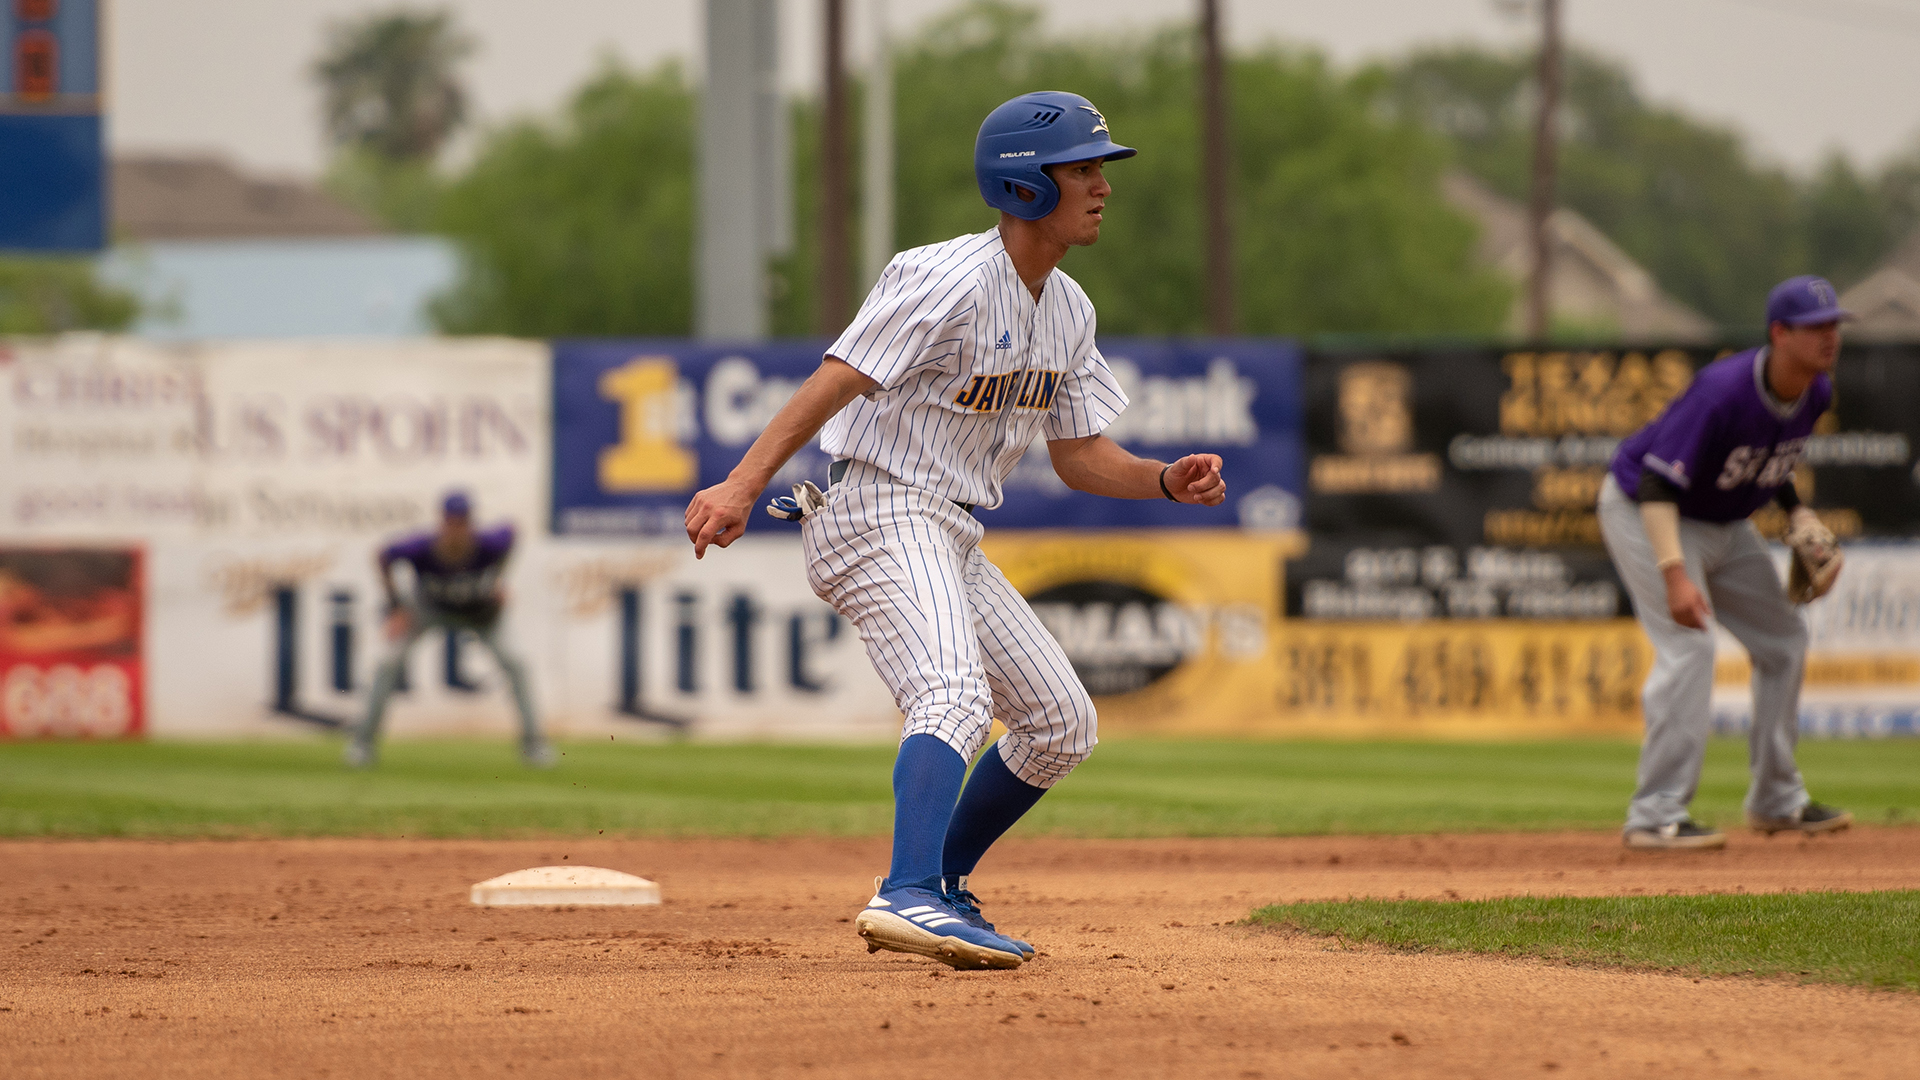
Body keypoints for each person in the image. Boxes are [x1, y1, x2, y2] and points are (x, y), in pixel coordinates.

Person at [684, 91, 1226, 969]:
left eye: (1101, 169)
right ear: (1024, 184)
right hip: (878, 507)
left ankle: (938, 885)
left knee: (1060, 723)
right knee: (953, 694)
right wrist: (742, 484)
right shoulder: (946, 278)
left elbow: (1080, 453)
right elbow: (836, 379)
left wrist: (1163, 480)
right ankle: (905, 895)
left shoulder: (1069, 309)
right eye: (1084, 169)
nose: (1102, 186)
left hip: (951, 527)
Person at [1598, 275, 1854, 850]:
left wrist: (1798, 518)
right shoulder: (1721, 390)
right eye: (1817, 327)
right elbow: (1658, 484)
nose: (1830, 336)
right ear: (1778, 333)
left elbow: (1770, 459)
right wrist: (1675, 576)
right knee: (1690, 642)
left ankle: (1776, 801)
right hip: (1647, 510)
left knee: (1783, 637)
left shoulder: (1814, 391)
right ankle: (1654, 813)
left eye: (1835, 324)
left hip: (1722, 521)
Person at [345, 492, 551, 768]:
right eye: (451, 522)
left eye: (462, 521)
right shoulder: (421, 548)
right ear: (442, 522)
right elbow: (383, 555)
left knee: (518, 663)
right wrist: (396, 607)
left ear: (471, 523)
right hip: (427, 610)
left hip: (482, 614)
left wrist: (499, 579)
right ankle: (362, 745)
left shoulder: (489, 544)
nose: (457, 528)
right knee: (386, 662)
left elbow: (512, 531)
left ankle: (534, 746)